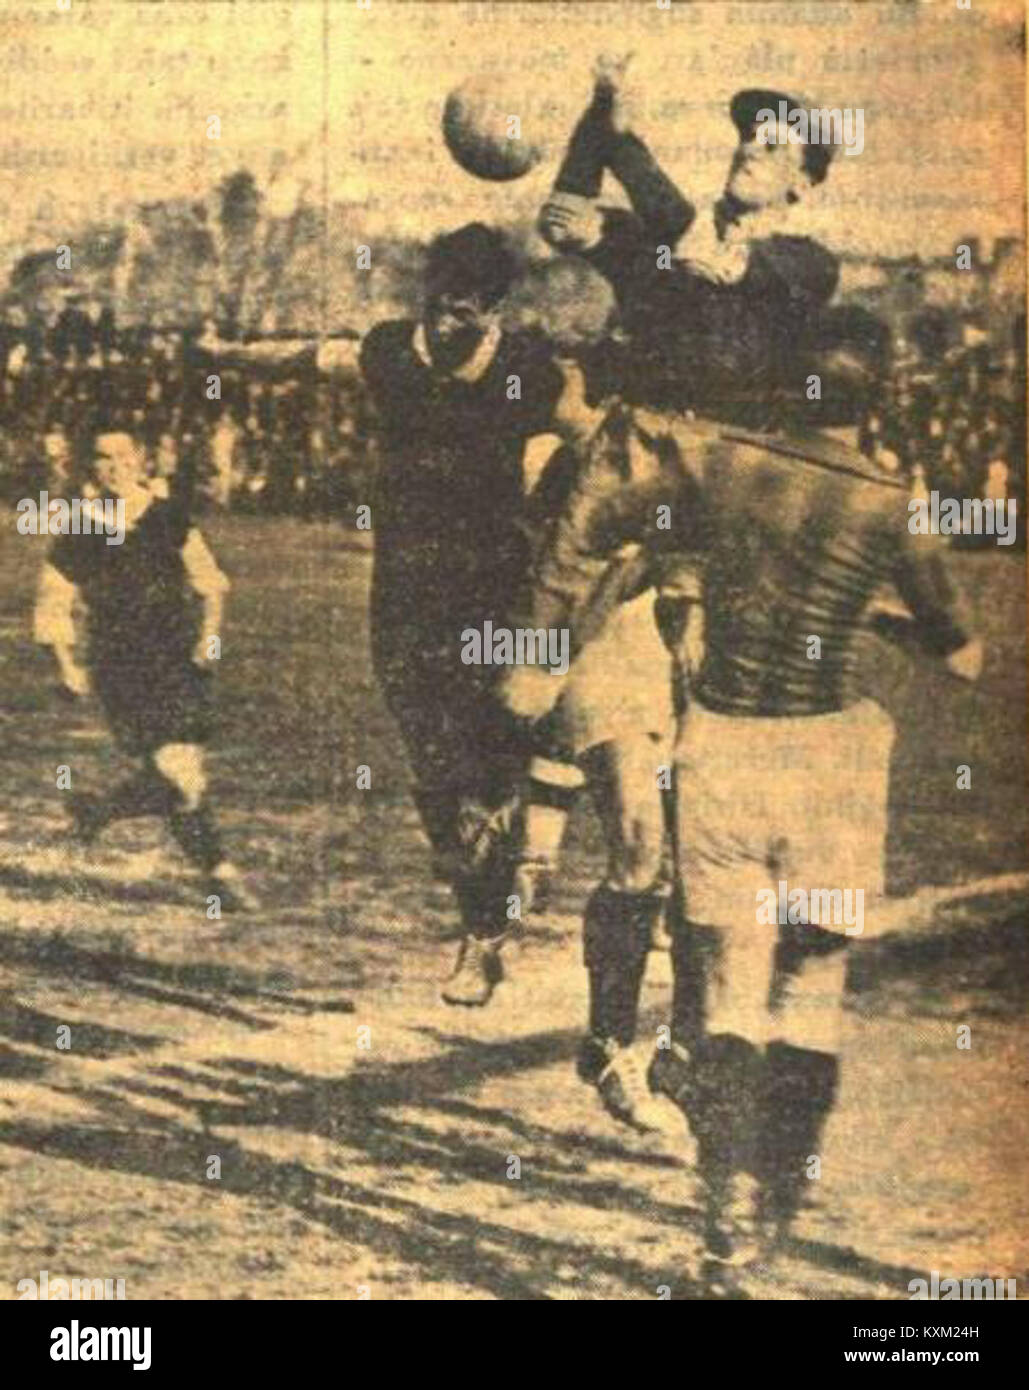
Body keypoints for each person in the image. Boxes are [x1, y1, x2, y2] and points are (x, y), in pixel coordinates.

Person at [501, 310, 982, 1294]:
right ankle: (775, 1223)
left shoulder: (720, 462)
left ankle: (717, 1234)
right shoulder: (895, 500)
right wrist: (880, 613)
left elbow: (594, 518)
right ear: (878, 396)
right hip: (831, 759)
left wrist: (537, 645)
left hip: (721, 746)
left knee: (721, 1005)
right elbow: (964, 656)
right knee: (809, 995)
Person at [359, 223, 592, 1006]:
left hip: (493, 592)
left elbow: (590, 439)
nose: (451, 325)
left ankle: (496, 902)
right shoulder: (387, 353)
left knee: (490, 769)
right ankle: (484, 919)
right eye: (443, 307)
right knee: (435, 774)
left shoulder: (528, 369)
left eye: (470, 313)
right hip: (402, 596)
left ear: (496, 310)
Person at [33, 431, 254, 913]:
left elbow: (210, 584)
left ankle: (102, 811)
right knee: (180, 775)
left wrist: (209, 637)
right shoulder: (82, 526)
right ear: (92, 467)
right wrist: (67, 665)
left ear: (141, 460)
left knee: (182, 776)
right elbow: (54, 601)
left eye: (122, 457)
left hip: (177, 659)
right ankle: (217, 871)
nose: (113, 466)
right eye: (102, 458)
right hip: (121, 665)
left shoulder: (169, 518)